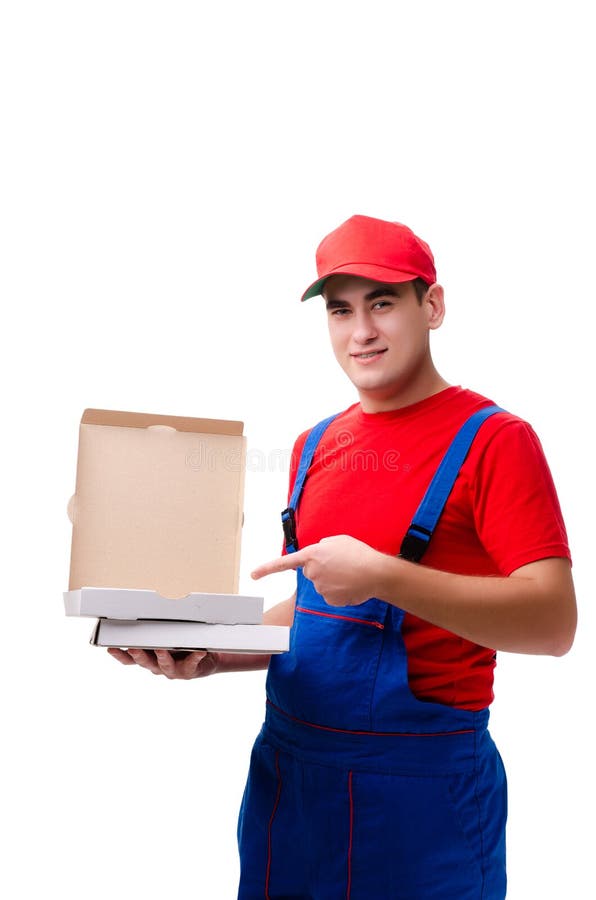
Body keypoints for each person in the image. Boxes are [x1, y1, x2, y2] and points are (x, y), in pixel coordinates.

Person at [110, 214, 576, 899]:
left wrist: (383, 574)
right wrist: (213, 652)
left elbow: (554, 623)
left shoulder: (495, 441)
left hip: (421, 805)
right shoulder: (314, 445)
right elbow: (315, 611)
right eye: (340, 310)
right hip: (290, 787)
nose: (361, 331)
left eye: (382, 303)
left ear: (432, 306)